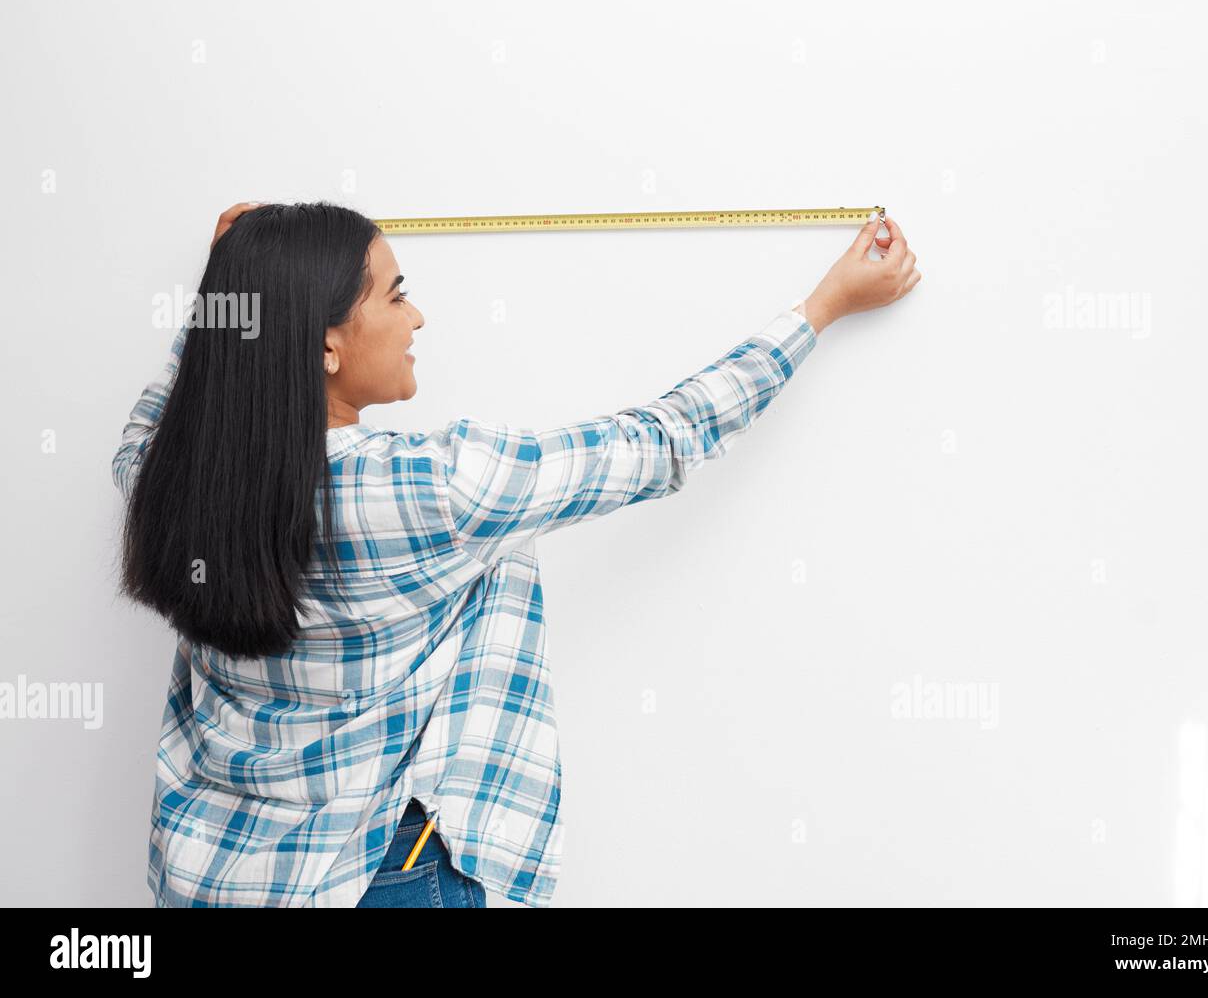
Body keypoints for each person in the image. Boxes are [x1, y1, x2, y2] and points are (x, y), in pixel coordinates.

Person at [115, 200, 919, 907]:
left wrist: (223, 302)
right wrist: (821, 309)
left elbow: (160, 419)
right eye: (397, 295)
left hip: (207, 878)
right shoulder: (434, 490)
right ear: (326, 344)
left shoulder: (170, 481)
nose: (417, 318)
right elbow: (665, 439)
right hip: (369, 882)